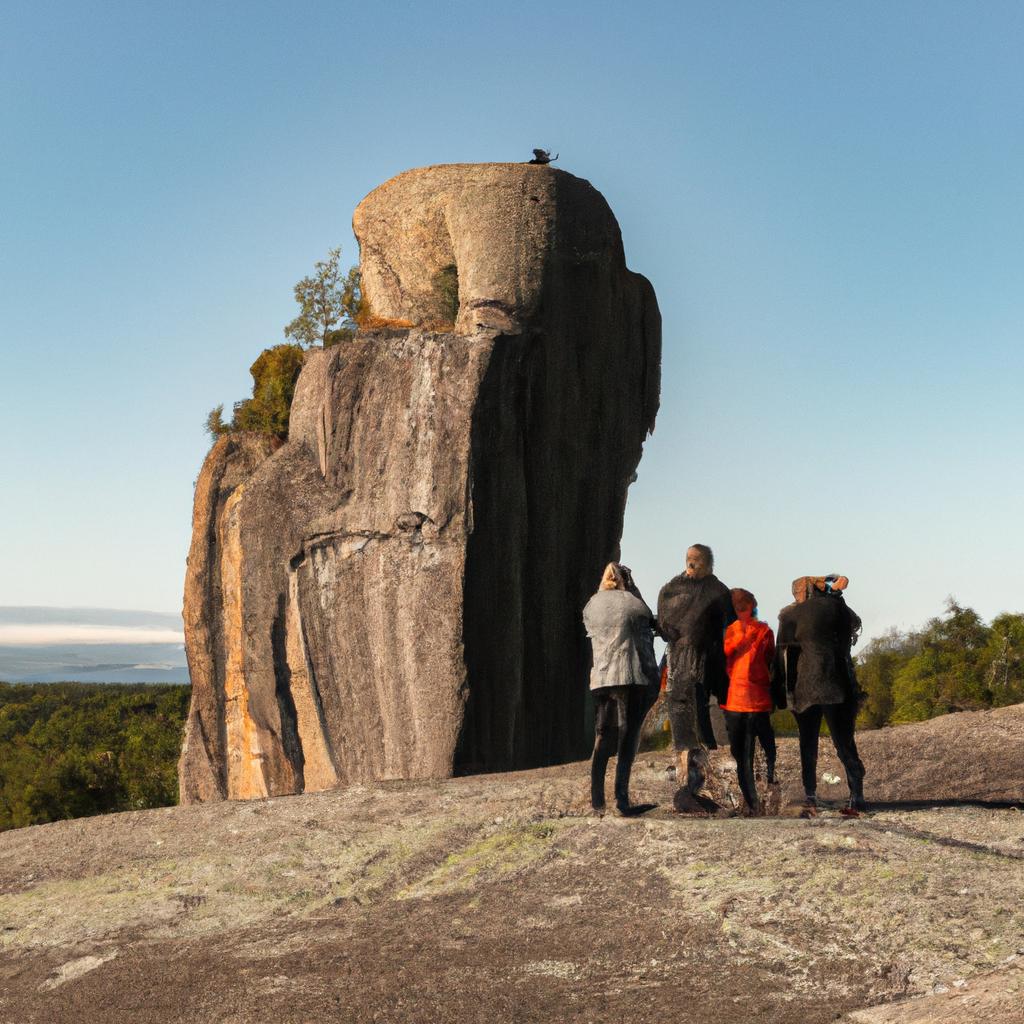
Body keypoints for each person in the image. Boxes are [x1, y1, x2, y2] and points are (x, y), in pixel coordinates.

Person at [776, 575, 867, 814]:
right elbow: (851, 632)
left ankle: (810, 795)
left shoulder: (790, 615)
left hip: (806, 687)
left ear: (800, 593)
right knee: (844, 741)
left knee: (808, 743)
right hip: (838, 682)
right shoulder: (838, 608)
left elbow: (783, 657)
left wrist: (782, 694)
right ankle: (856, 794)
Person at [657, 544, 735, 813]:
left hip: (691, 666)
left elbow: (664, 629)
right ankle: (691, 789)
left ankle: (692, 787)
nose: (692, 564)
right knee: (693, 726)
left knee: (693, 728)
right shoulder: (704, 590)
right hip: (693, 664)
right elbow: (729, 625)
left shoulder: (682, 590)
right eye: (690, 559)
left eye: (694, 560)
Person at [582, 562, 661, 816]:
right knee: (628, 737)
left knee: (603, 736)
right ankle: (621, 799)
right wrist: (634, 591)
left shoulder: (592, 605)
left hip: (602, 679)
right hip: (630, 676)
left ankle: (597, 801)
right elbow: (650, 622)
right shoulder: (633, 602)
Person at [721, 588, 779, 814]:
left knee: (743, 756)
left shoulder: (729, 632)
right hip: (758, 699)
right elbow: (770, 658)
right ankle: (770, 785)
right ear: (752, 606)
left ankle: (751, 802)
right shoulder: (765, 631)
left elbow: (724, 660)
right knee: (767, 747)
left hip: (735, 701)